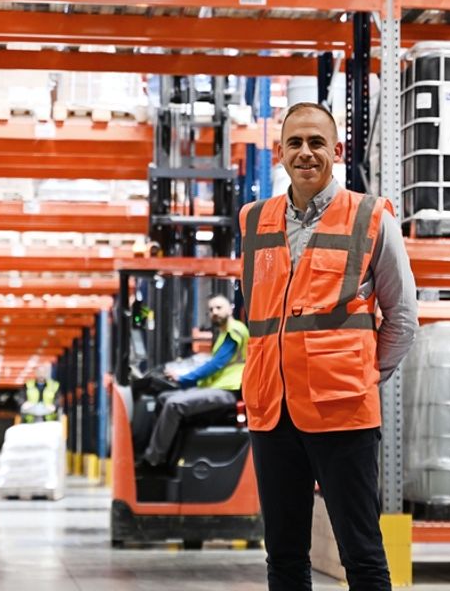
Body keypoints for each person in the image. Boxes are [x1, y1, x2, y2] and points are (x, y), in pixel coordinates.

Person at [239, 102, 418, 591]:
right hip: (272, 412)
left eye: (316, 142)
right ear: (279, 153)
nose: (305, 153)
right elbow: (258, 316)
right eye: (295, 143)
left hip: (343, 413)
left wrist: (362, 374)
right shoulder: (253, 220)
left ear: (336, 151)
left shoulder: (370, 215)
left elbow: (402, 318)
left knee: (361, 555)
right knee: (284, 556)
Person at [139, 294, 249, 466]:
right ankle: (169, 454)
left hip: (229, 391)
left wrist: (184, 378)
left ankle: (153, 459)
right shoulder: (223, 333)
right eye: (211, 309)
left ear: (230, 309)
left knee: (173, 404)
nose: (214, 312)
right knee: (164, 398)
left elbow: (216, 364)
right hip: (217, 387)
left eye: (219, 308)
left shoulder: (234, 330)